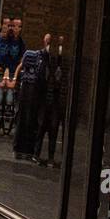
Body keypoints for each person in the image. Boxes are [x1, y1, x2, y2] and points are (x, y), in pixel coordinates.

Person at [13, 34, 49, 160]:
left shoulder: (48, 59)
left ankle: (29, 149)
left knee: (33, 121)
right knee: (25, 118)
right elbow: (21, 67)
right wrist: (15, 80)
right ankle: (20, 148)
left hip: (38, 91)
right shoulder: (32, 55)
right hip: (29, 89)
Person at [33, 36, 64, 167]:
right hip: (45, 105)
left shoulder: (57, 72)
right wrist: (48, 44)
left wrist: (60, 45)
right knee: (41, 131)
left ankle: (50, 157)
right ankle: (37, 154)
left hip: (52, 106)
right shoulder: (45, 71)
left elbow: (59, 62)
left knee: (52, 132)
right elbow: (45, 59)